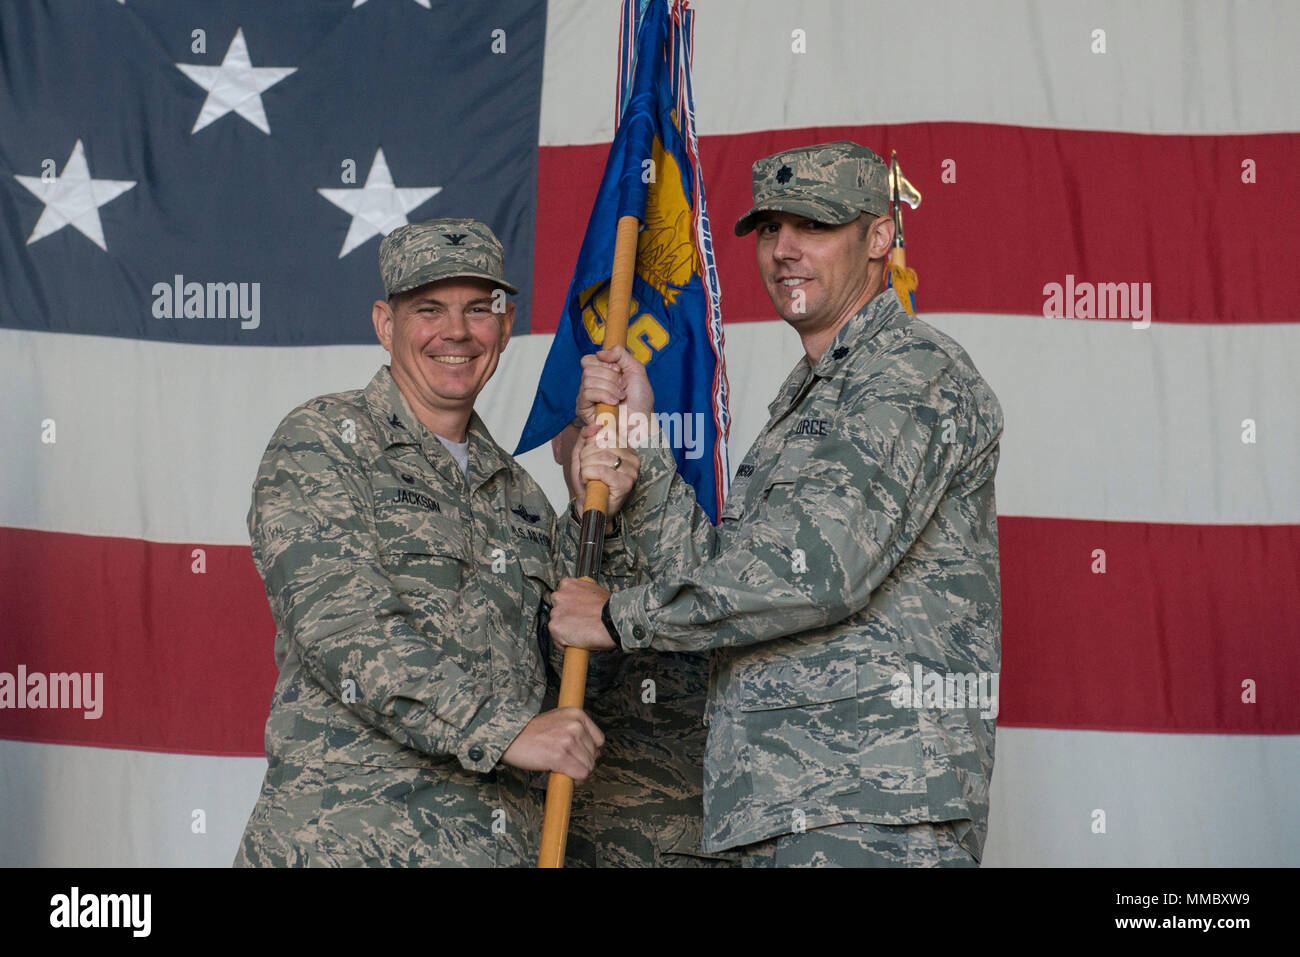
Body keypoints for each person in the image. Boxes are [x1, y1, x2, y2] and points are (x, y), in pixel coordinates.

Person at [549, 141, 1004, 867]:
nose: (785, 250)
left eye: (814, 226)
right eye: (769, 229)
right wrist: (643, 434)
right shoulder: (808, 397)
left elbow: (818, 571)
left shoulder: (909, 371)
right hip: (779, 811)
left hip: (869, 811)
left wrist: (615, 615)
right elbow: (727, 578)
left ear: (879, 236)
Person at [234, 218, 639, 867]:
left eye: (479, 309)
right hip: (349, 843)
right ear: (386, 325)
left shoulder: (525, 499)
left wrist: (605, 520)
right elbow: (345, 630)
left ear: (505, 328)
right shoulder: (324, 441)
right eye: (430, 308)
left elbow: (580, 682)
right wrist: (506, 731)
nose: (457, 331)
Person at [547, 424, 733, 868]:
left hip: (688, 838)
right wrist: (593, 524)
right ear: (558, 444)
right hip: (566, 839)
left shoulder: (702, 545)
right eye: (586, 428)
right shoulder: (529, 529)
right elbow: (548, 675)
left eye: (615, 430)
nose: (603, 444)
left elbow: (714, 624)